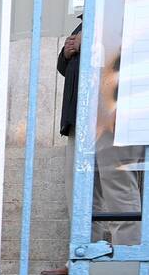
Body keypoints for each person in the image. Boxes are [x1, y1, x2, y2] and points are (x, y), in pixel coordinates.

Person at [58, 20, 144, 245]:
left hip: (115, 117)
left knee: (119, 191)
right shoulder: (86, 18)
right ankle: (82, 256)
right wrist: (67, 53)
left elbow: (134, 52)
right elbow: (65, 68)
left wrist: (86, 42)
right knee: (80, 194)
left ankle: (127, 257)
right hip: (80, 118)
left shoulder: (131, 7)